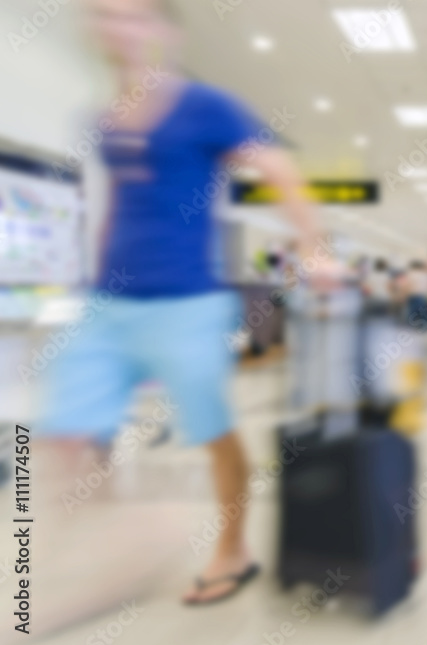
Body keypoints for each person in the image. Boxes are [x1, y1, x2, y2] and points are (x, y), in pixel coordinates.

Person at [39, 0, 339, 607]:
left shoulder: (205, 106)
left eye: (134, 15)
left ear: (162, 30)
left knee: (213, 432)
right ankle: (106, 555)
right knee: (61, 435)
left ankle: (233, 549)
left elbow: (278, 167)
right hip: (109, 300)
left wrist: (315, 250)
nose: (120, 27)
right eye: (107, 14)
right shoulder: (100, 118)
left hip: (187, 300)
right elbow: (117, 206)